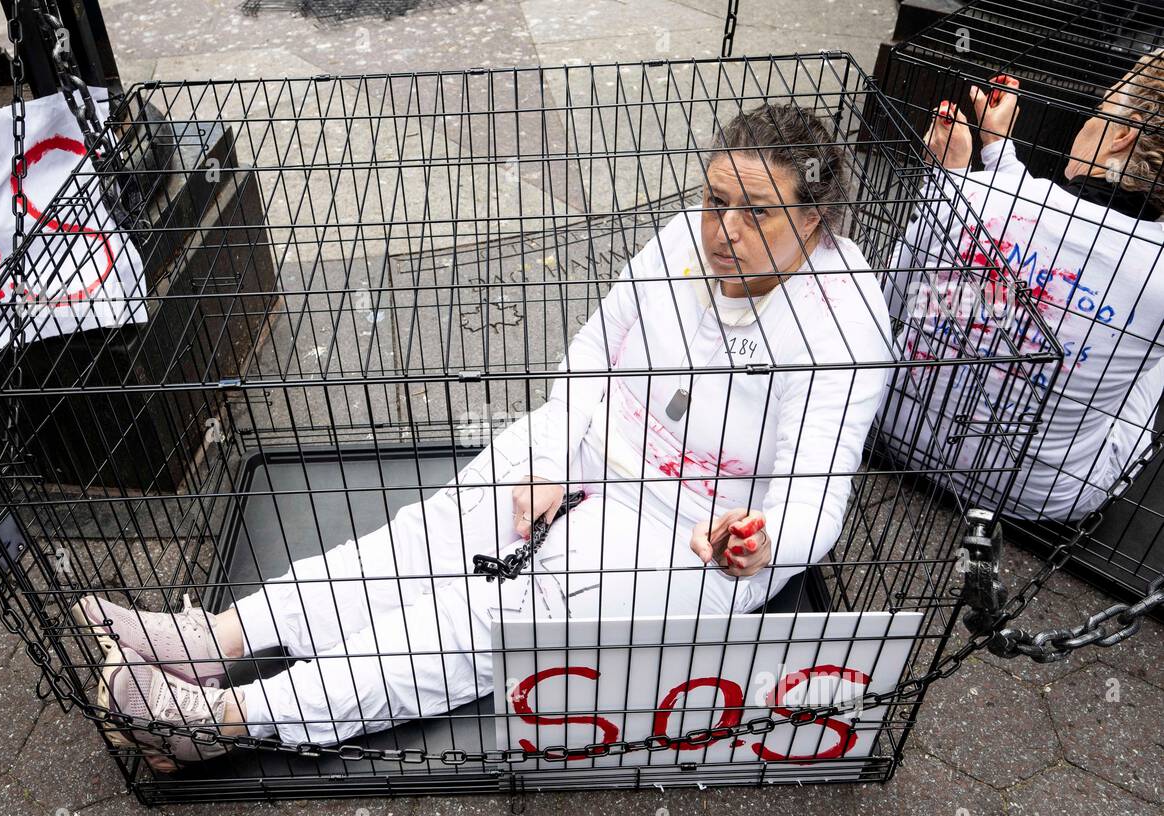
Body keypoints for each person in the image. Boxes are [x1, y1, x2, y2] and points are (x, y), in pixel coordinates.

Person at [72, 104, 894, 768]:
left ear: (816, 221)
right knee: (434, 531)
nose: (724, 228)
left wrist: (760, 540)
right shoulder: (682, 242)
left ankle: (229, 719)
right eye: (717, 200)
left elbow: (816, 498)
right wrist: (546, 460)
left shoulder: (844, 327)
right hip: (592, 456)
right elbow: (589, 361)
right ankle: (223, 637)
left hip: (692, 536)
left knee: (489, 617)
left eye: (756, 212)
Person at [883, 51, 1164, 523]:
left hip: (894, 428)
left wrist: (947, 182)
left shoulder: (968, 196)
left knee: (946, 287)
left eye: (1100, 110)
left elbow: (890, 303)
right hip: (1043, 497)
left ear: (1124, 134)